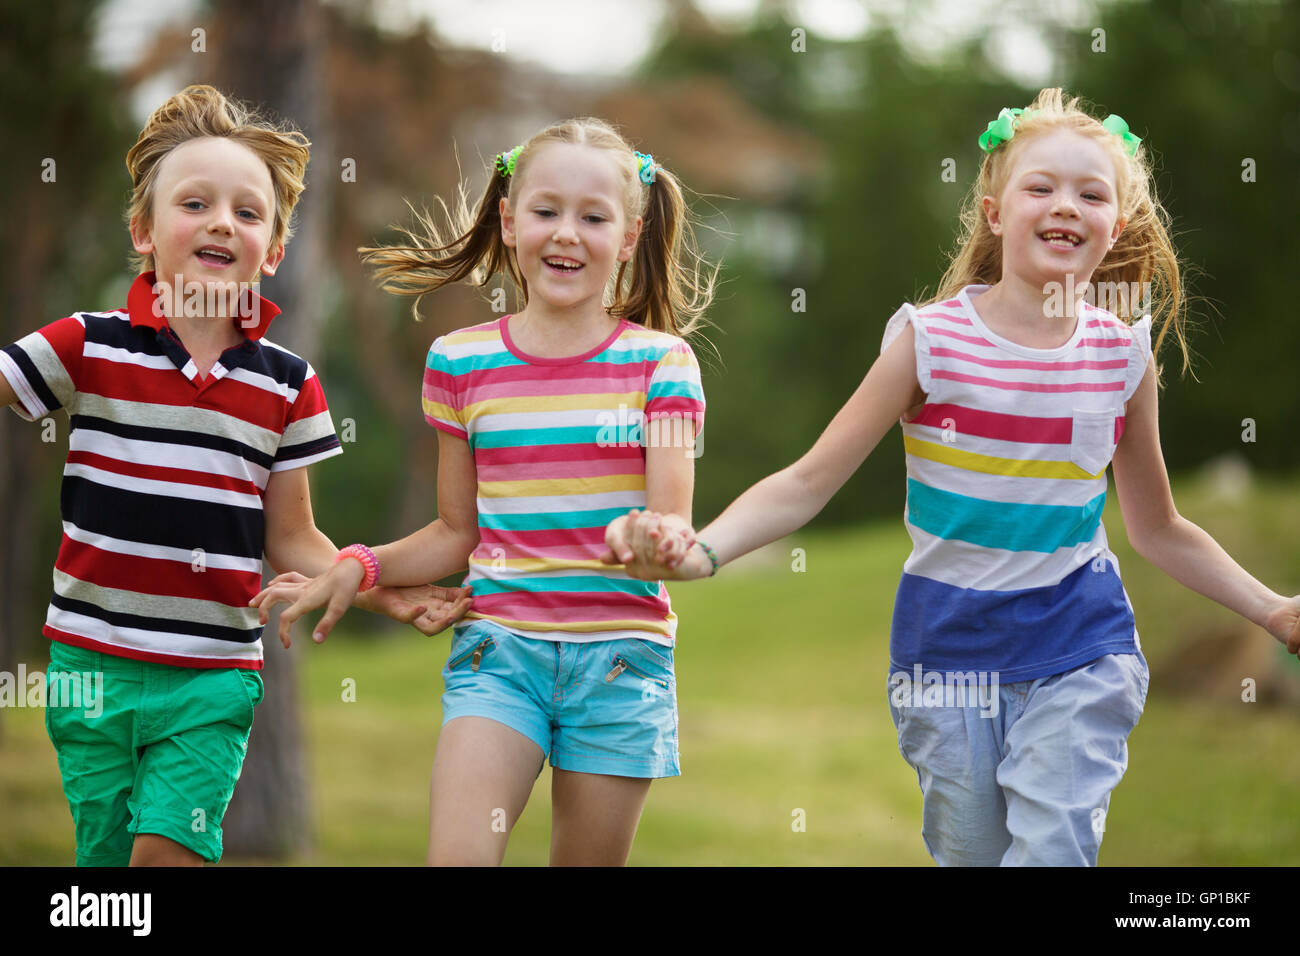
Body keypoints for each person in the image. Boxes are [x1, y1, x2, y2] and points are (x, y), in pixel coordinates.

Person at [606, 88, 1300, 866]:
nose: (1065, 205)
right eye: (1042, 187)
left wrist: (1273, 610)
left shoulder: (1122, 358)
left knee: (1051, 850)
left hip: (1082, 647)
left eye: (1090, 193)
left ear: (1118, 224)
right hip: (946, 661)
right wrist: (705, 550)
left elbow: (1159, 527)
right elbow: (807, 481)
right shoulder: (929, 342)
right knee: (972, 853)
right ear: (997, 211)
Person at [0, 85, 468, 867]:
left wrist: (386, 593)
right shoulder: (87, 344)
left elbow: (293, 539)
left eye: (248, 213)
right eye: (195, 203)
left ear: (274, 250)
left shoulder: (288, 384)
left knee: (165, 858)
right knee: (107, 867)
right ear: (144, 231)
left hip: (213, 676)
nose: (223, 221)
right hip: (90, 667)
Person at [252, 117, 716, 866]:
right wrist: (357, 567)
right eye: (546, 211)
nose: (567, 234)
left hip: (620, 662)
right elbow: (453, 533)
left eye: (593, 218)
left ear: (628, 237)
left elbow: (672, 528)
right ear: (509, 220)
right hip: (500, 656)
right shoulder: (459, 363)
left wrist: (650, 537)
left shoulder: (662, 365)